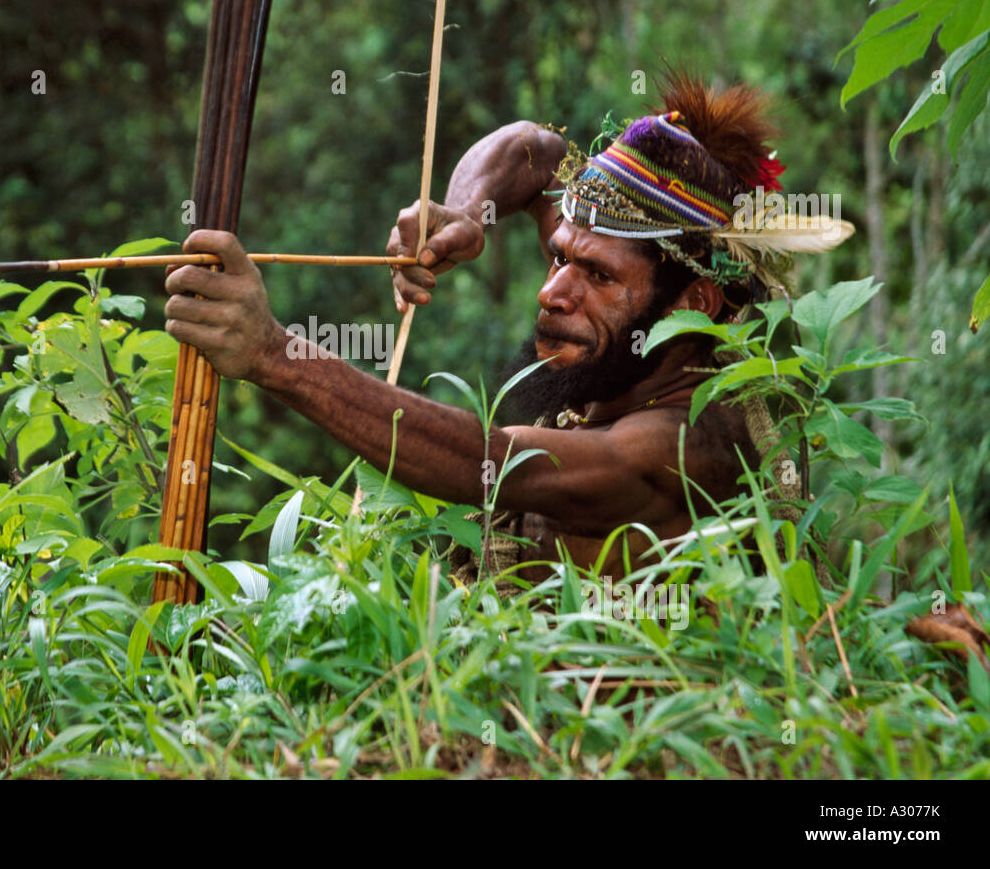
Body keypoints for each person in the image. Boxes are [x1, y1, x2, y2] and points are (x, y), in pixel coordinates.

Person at [162, 70, 851, 587]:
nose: (553, 291)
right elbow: (535, 150)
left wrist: (275, 356)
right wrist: (464, 211)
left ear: (693, 301)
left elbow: (487, 462)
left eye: (597, 276)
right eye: (558, 256)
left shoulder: (690, 443)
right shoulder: (632, 308)